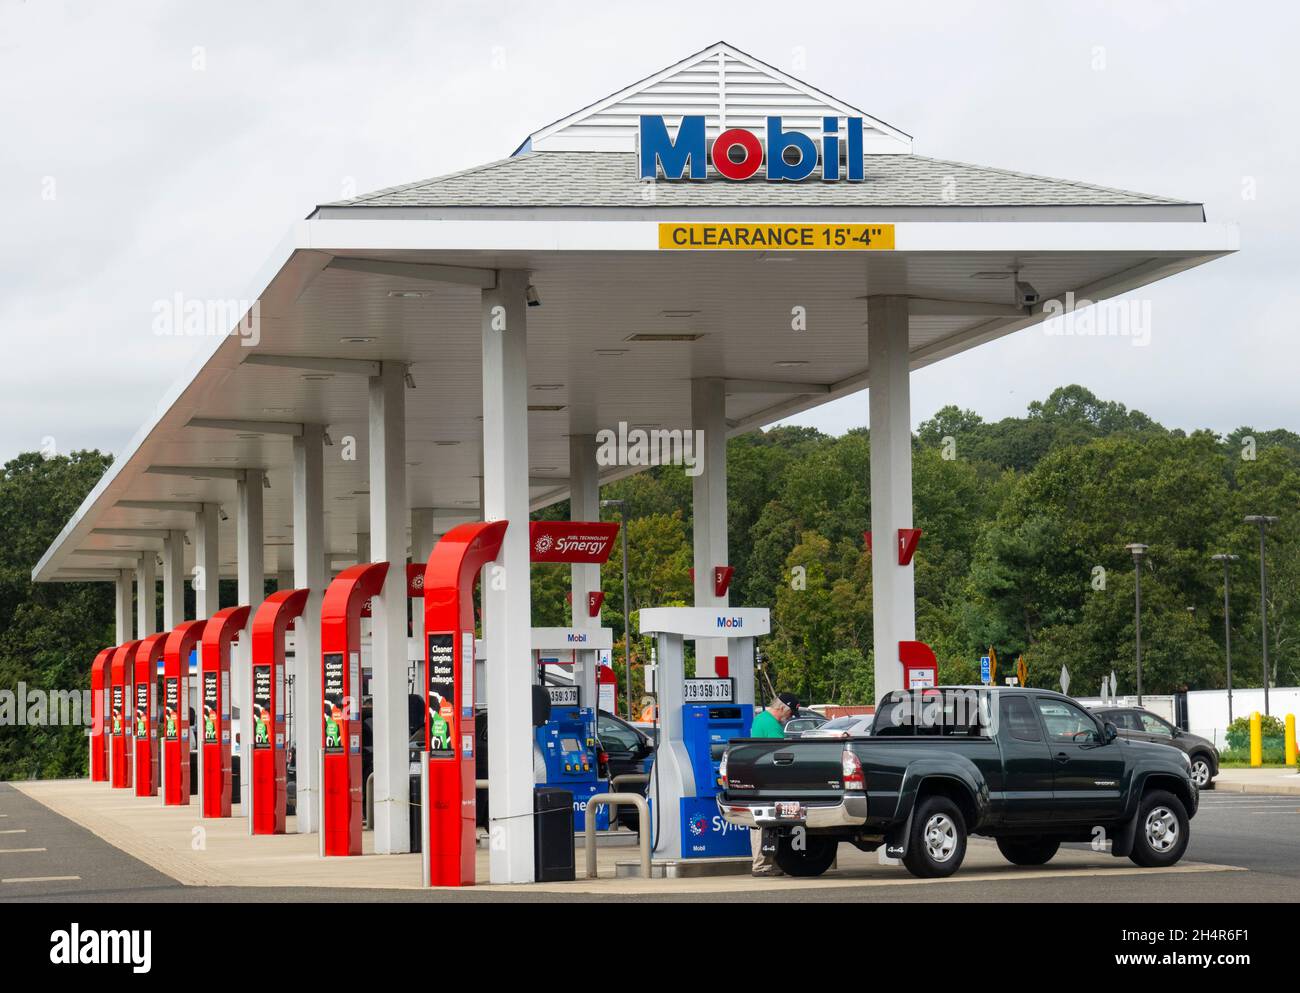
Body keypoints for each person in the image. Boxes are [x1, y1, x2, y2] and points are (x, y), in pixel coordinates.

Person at [749, 692, 799, 876]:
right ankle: (763, 865)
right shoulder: (772, 725)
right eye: (790, 713)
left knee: (760, 822)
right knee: (766, 822)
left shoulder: (760, 719)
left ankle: (765, 863)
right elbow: (782, 753)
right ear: (781, 708)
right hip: (767, 781)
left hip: (758, 778)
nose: (790, 717)